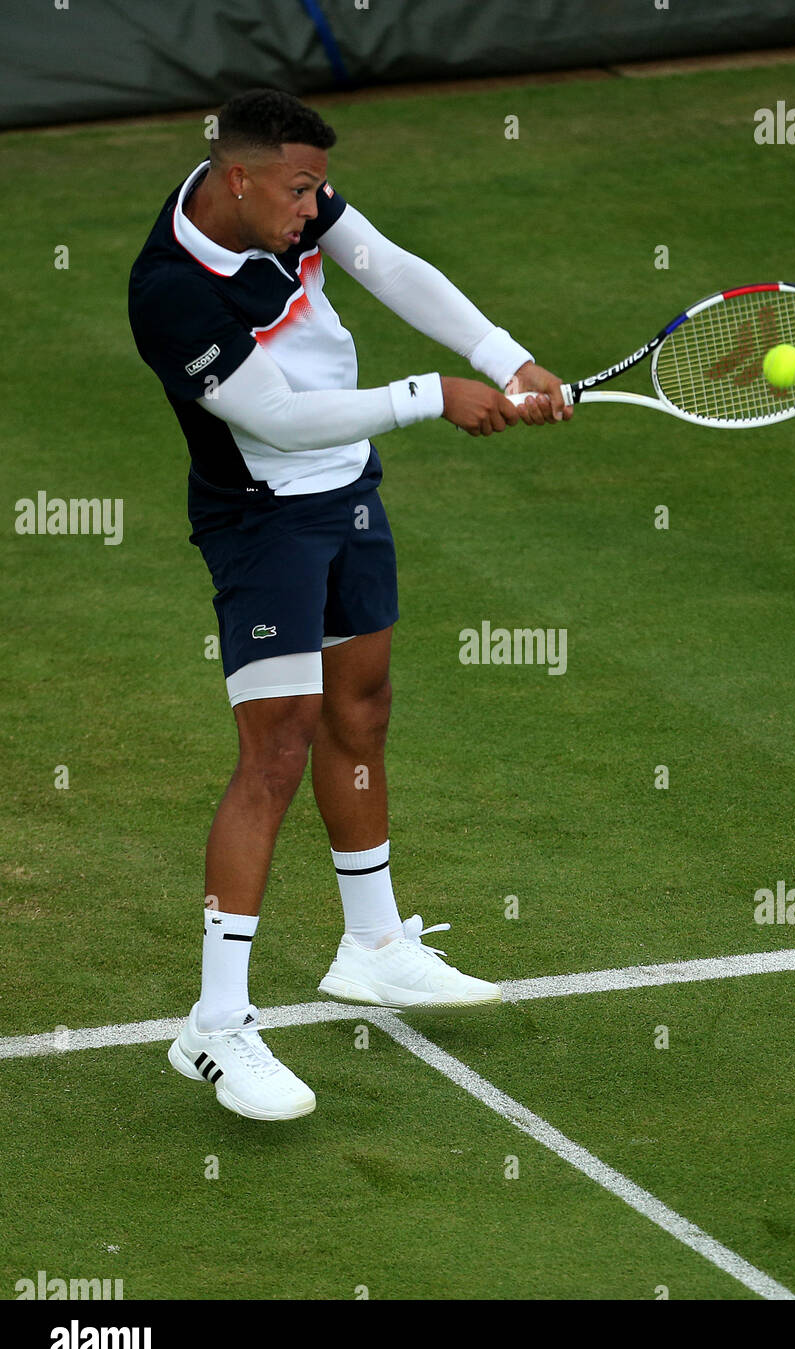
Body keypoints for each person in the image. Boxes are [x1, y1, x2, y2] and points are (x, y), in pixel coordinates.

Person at [128, 87, 571, 1122]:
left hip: (346, 491)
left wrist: (501, 357)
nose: (315, 206)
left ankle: (372, 945)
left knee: (360, 705)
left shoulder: (290, 199)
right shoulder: (170, 292)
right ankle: (215, 1023)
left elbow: (388, 266)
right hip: (262, 517)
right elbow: (275, 419)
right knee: (274, 745)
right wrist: (431, 396)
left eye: (319, 184)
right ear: (238, 179)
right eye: (298, 187)